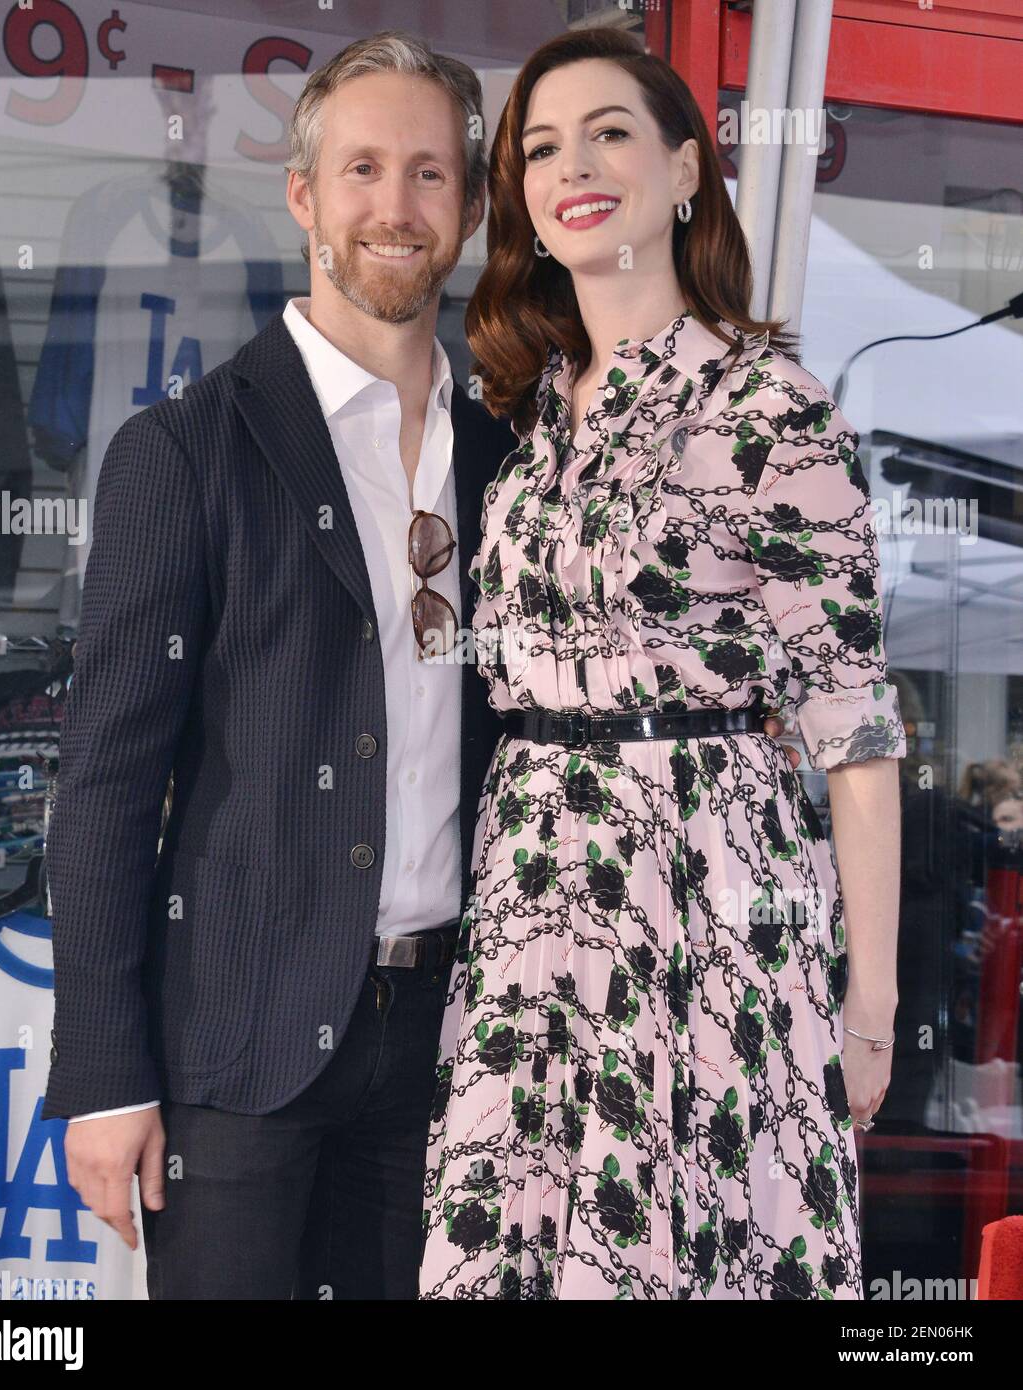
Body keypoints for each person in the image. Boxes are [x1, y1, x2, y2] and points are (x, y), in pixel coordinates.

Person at [40, 30, 795, 1301]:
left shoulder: (514, 452)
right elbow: (104, 785)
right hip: (242, 1048)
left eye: (432, 175)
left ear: (469, 208)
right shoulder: (184, 452)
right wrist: (105, 1072)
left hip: (465, 1040)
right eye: (362, 171)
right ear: (303, 197)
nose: (395, 208)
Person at [419, 27, 906, 1301]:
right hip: (529, 902)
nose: (571, 164)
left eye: (609, 132)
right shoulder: (527, 415)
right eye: (538, 146)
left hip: (703, 895)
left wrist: (870, 999)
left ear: (685, 169)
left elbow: (851, 725)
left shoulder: (770, 410)